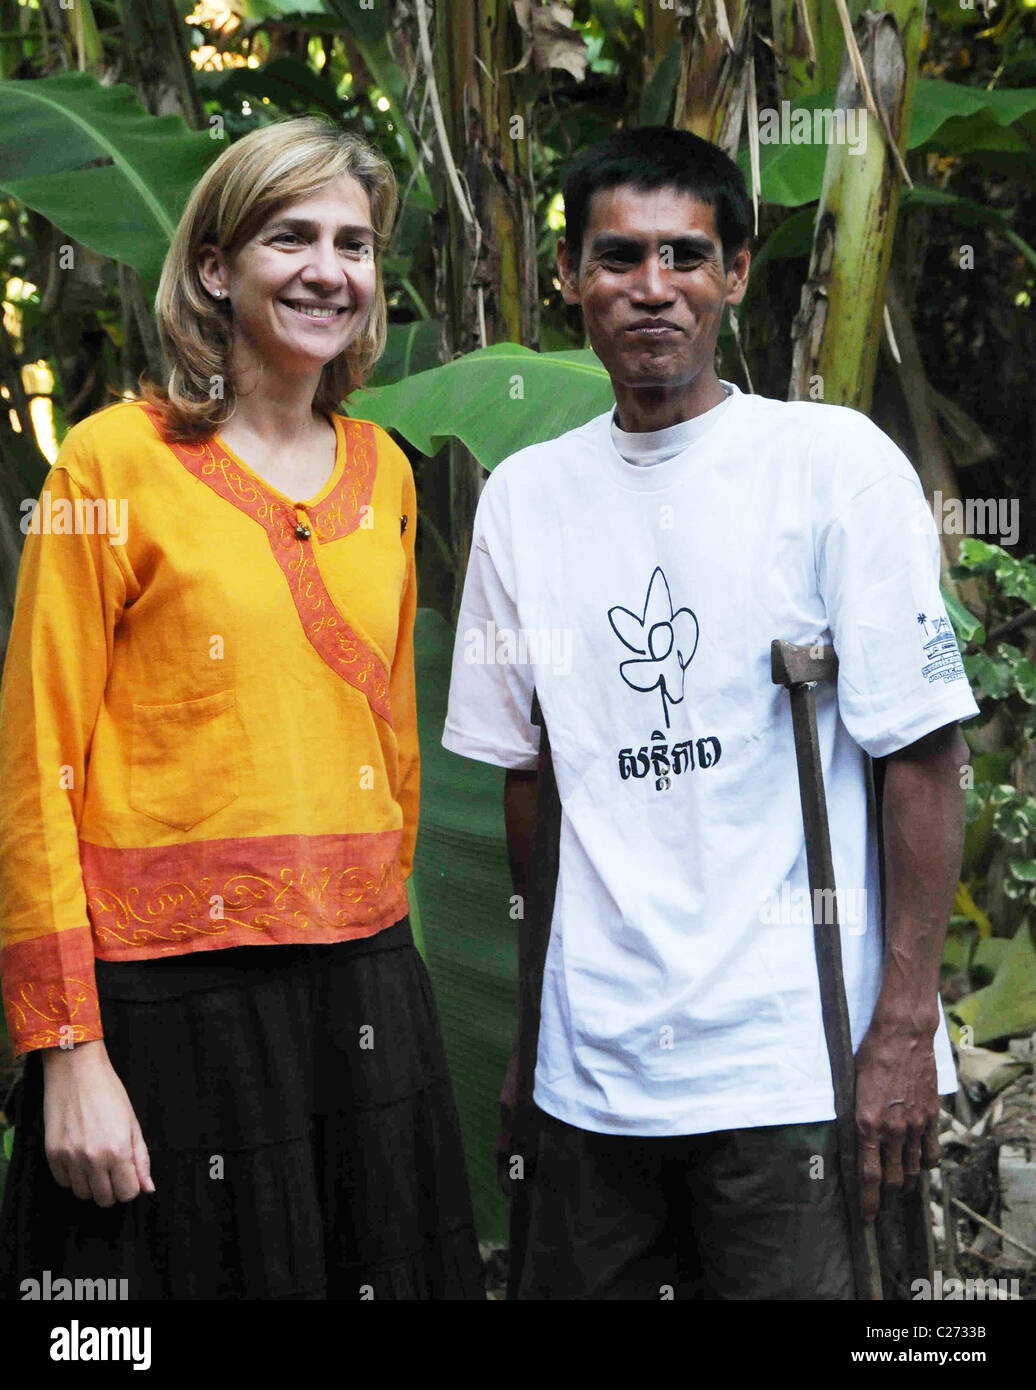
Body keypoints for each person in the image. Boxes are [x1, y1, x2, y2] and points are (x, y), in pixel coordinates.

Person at [442, 125, 980, 1300]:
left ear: (735, 272)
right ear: (572, 277)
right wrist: (528, 1044)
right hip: (593, 1072)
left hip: (790, 1062)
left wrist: (900, 1029)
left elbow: (923, 754)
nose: (651, 289)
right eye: (617, 257)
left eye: (684, 256)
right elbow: (527, 787)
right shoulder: (527, 500)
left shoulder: (831, 465)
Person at [0, 115, 485, 1301]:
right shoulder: (110, 464)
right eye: (290, 236)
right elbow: (34, 765)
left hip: (366, 986)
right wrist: (67, 1052)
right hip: (169, 1006)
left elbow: (388, 748)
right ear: (215, 268)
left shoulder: (388, 474)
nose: (330, 268)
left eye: (354, 243)